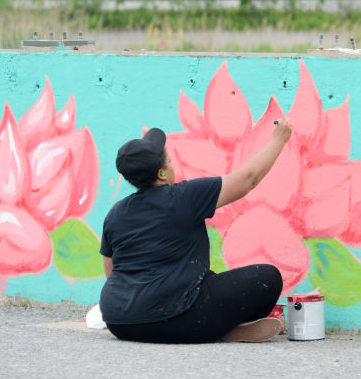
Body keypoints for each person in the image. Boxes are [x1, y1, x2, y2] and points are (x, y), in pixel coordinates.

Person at [99, 119, 293, 343]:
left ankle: (214, 329)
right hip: (175, 319)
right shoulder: (184, 197)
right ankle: (219, 329)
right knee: (267, 278)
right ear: (162, 174)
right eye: (170, 161)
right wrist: (279, 140)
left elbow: (111, 272)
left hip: (119, 322)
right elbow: (248, 179)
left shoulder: (116, 213)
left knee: (205, 280)